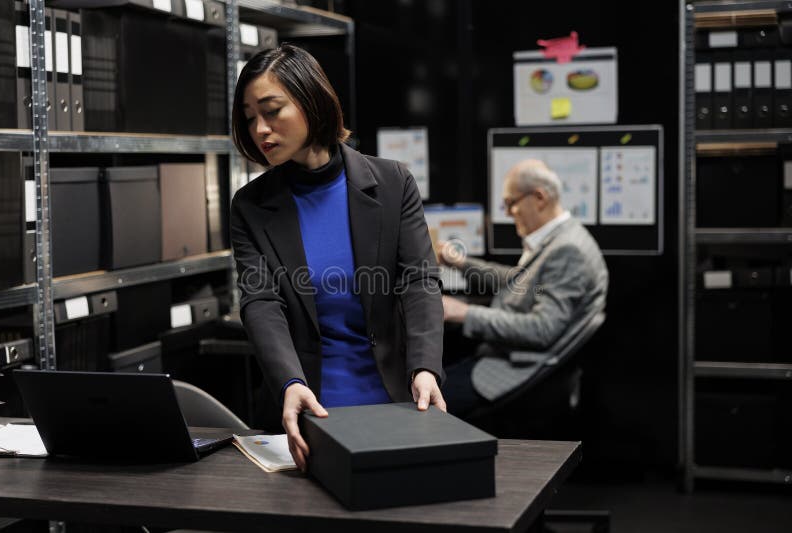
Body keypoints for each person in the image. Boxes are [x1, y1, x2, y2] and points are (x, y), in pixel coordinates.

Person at [230, 44, 445, 472]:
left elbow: (419, 281)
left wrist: (426, 368)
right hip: (310, 407)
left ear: (311, 99)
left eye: (272, 111)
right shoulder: (251, 205)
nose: (260, 129)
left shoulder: (392, 182)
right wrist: (290, 382)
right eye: (250, 117)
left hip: (397, 401)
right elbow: (261, 302)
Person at [438, 159, 608, 416]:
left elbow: (542, 329)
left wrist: (462, 313)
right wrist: (460, 263)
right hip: (503, 355)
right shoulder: (561, 239)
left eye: (511, 203)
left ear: (539, 197)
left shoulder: (568, 250)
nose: (508, 213)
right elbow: (522, 281)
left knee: (419, 399)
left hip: (511, 369)